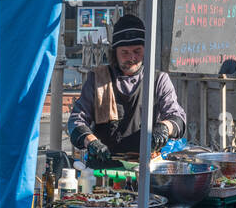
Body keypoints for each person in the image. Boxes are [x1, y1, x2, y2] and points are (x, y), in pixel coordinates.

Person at [67, 13, 186, 162]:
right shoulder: (97, 79)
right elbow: (76, 121)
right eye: (125, 52)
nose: (131, 58)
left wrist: (165, 127)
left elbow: (178, 118)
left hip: (146, 166)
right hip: (104, 167)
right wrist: (91, 142)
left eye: (137, 51)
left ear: (146, 50)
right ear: (114, 52)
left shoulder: (159, 80)